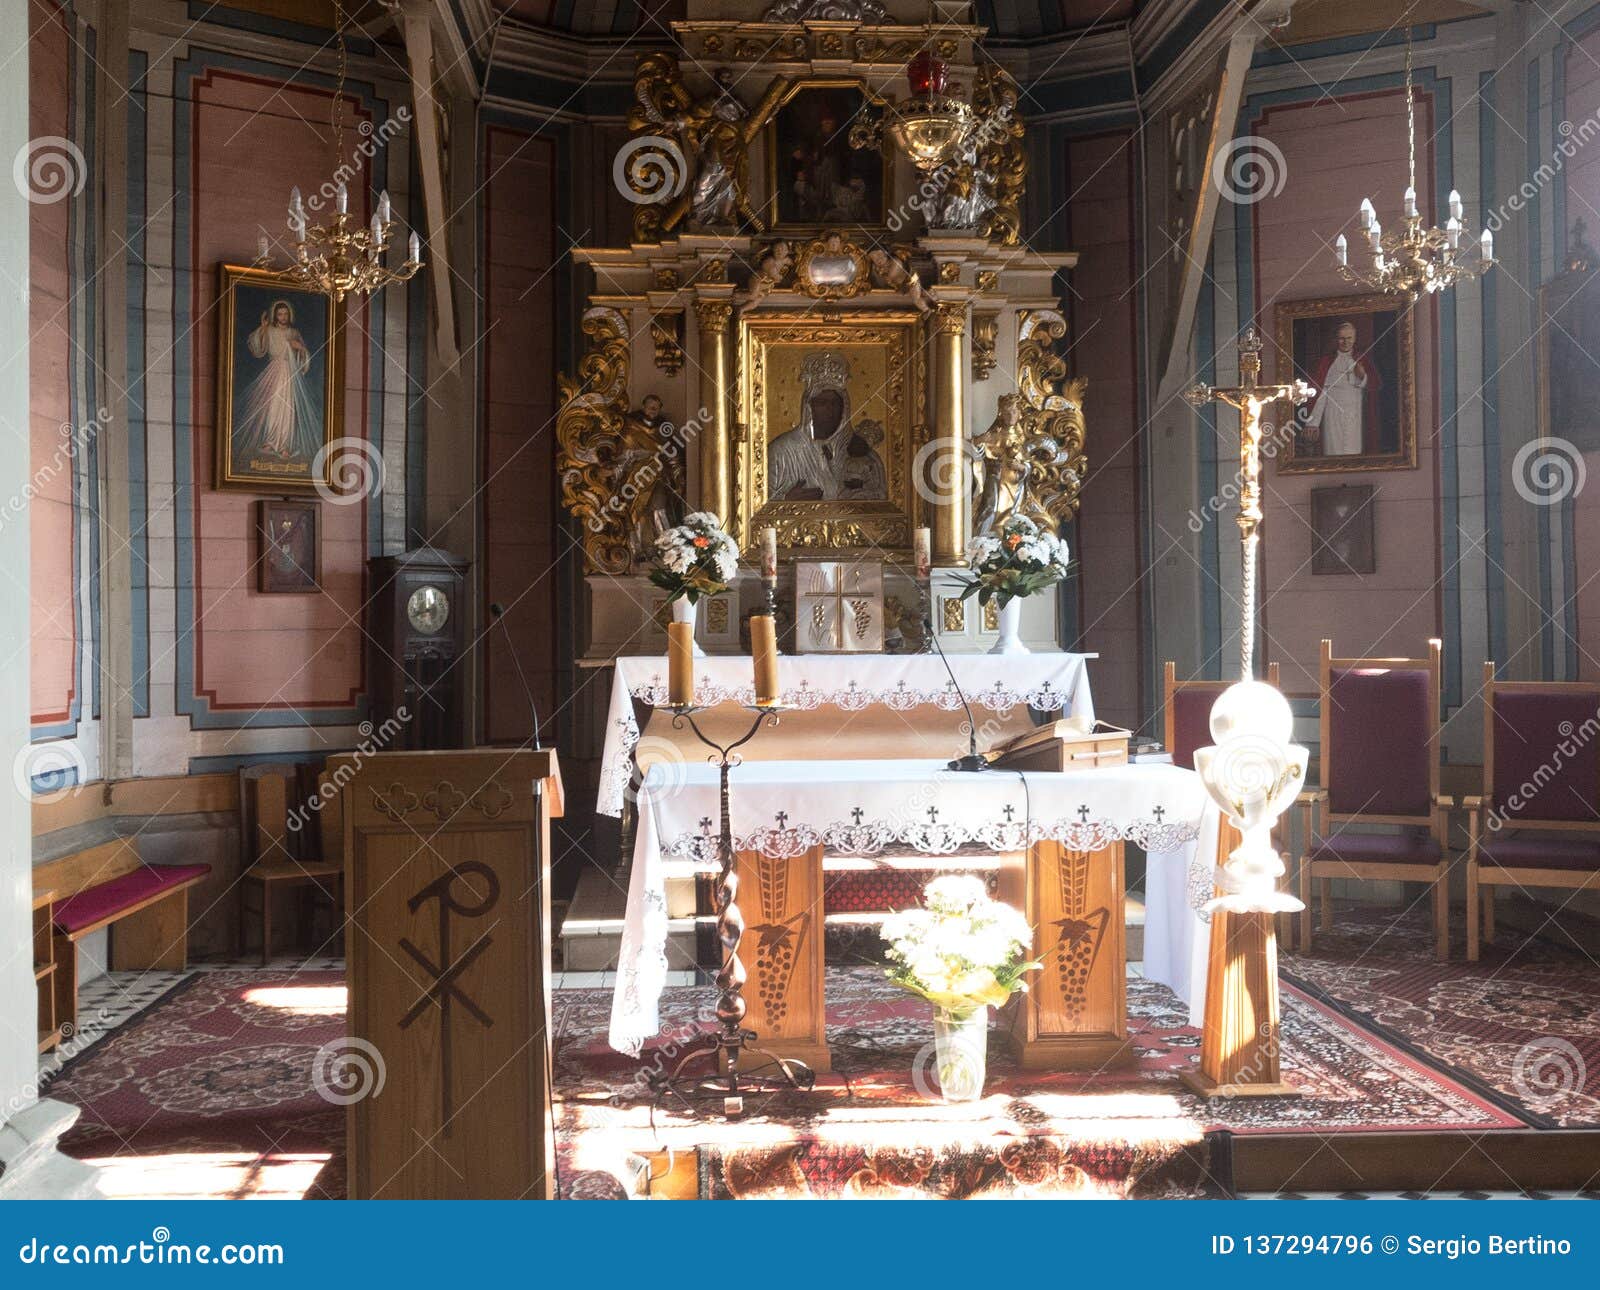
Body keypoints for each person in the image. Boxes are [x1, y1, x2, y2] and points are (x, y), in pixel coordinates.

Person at [767, 352, 885, 501]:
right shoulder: (781, 451)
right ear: (809, 407)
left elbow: (882, 499)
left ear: (844, 408)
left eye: (834, 403)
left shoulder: (862, 453)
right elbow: (755, 503)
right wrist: (787, 499)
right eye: (822, 403)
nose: (829, 409)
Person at [234, 299, 322, 467]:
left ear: (290, 315)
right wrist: (262, 327)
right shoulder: (270, 330)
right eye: (280, 314)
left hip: (289, 372)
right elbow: (258, 347)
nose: (283, 316)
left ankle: (284, 446)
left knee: (288, 409)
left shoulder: (294, 332)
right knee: (273, 406)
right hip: (274, 370)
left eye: (285, 313)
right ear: (275, 315)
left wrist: (299, 348)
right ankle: (270, 441)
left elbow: (302, 353)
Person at [1303, 321, 1382, 457]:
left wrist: (1363, 375)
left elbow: (1374, 385)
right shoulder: (1326, 362)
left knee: (1355, 451)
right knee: (1332, 452)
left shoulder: (1362, 360)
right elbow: (1321, 393)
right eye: (1342, 338)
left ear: (1354, 338)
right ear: (1336, 339)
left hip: (1356, 414)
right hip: (1332, 414)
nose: (1345, 342)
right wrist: (1313, 422)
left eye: (1349, 338)